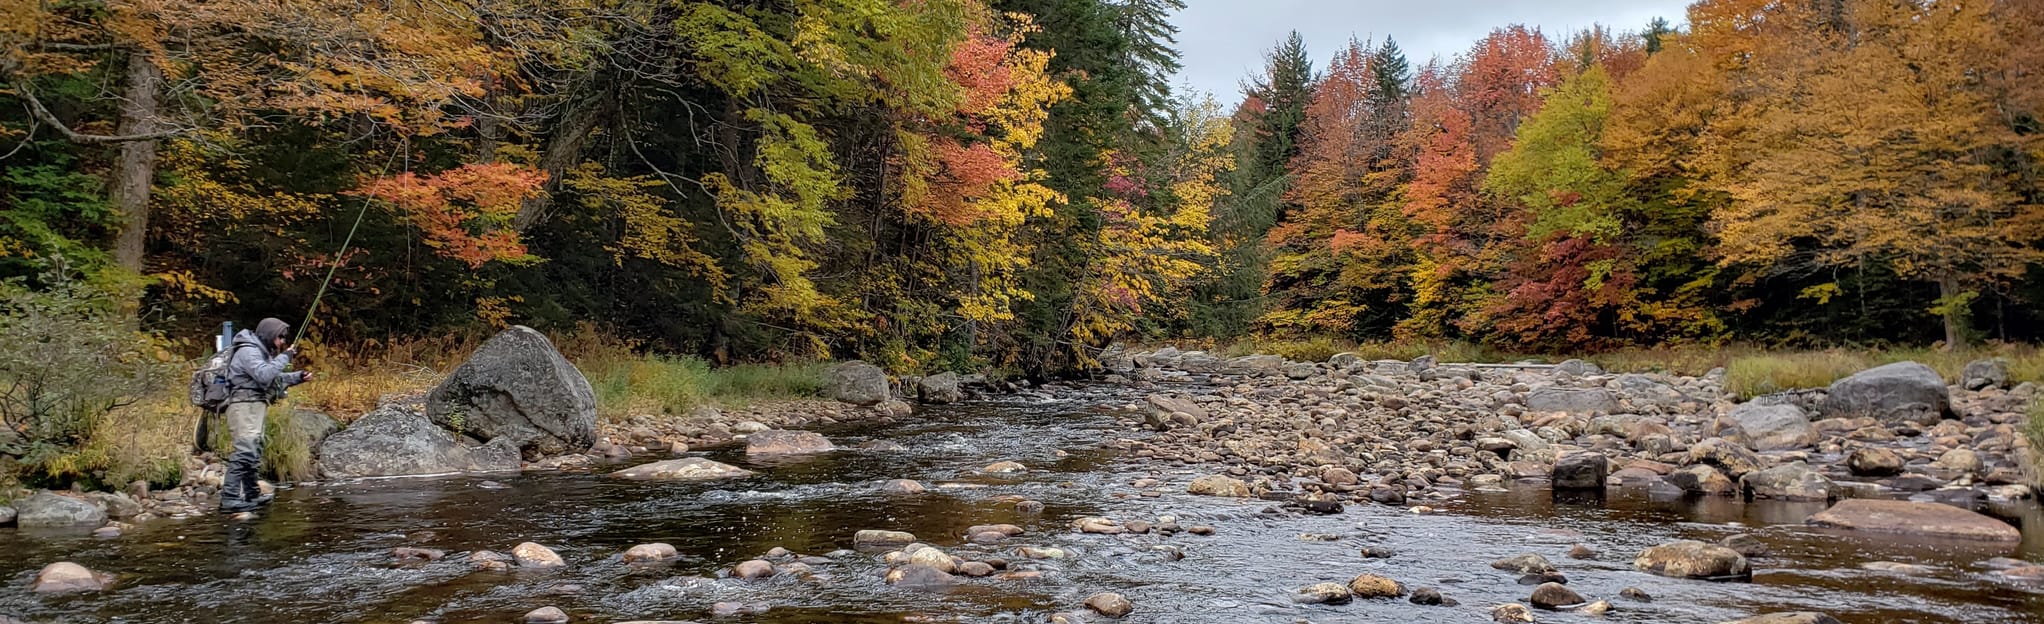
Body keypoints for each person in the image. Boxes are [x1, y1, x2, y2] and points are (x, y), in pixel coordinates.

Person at [219, 317, 313, 513]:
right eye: (280, 337)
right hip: (243, 406)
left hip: (253, 405)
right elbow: (264, 375)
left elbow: (273, 378)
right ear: (270, 335)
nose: (282, 342)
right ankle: (229, 498)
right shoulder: (248, 350)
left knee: (253, 452)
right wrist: (285, 357)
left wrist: (297, 377)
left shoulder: (259, 351)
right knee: (245, 451)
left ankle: (252, 494)